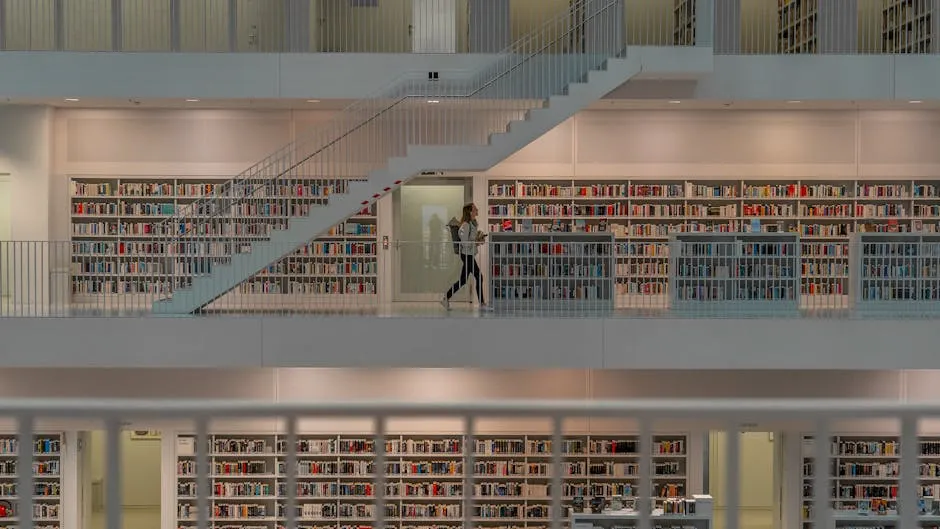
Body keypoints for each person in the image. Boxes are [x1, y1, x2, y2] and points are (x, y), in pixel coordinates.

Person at [442, 203, 492, 312]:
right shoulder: (466, 225)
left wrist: (477, 240)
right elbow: (464, 242)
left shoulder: (472, 224)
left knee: (463, 280)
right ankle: (482, 304)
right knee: (479, 276)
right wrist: (476, 242)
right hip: (466, 255)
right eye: (475, 209)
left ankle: (446, 297)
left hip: (468, 254)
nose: (477, 209)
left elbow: (469, 240)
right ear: (470, 212)